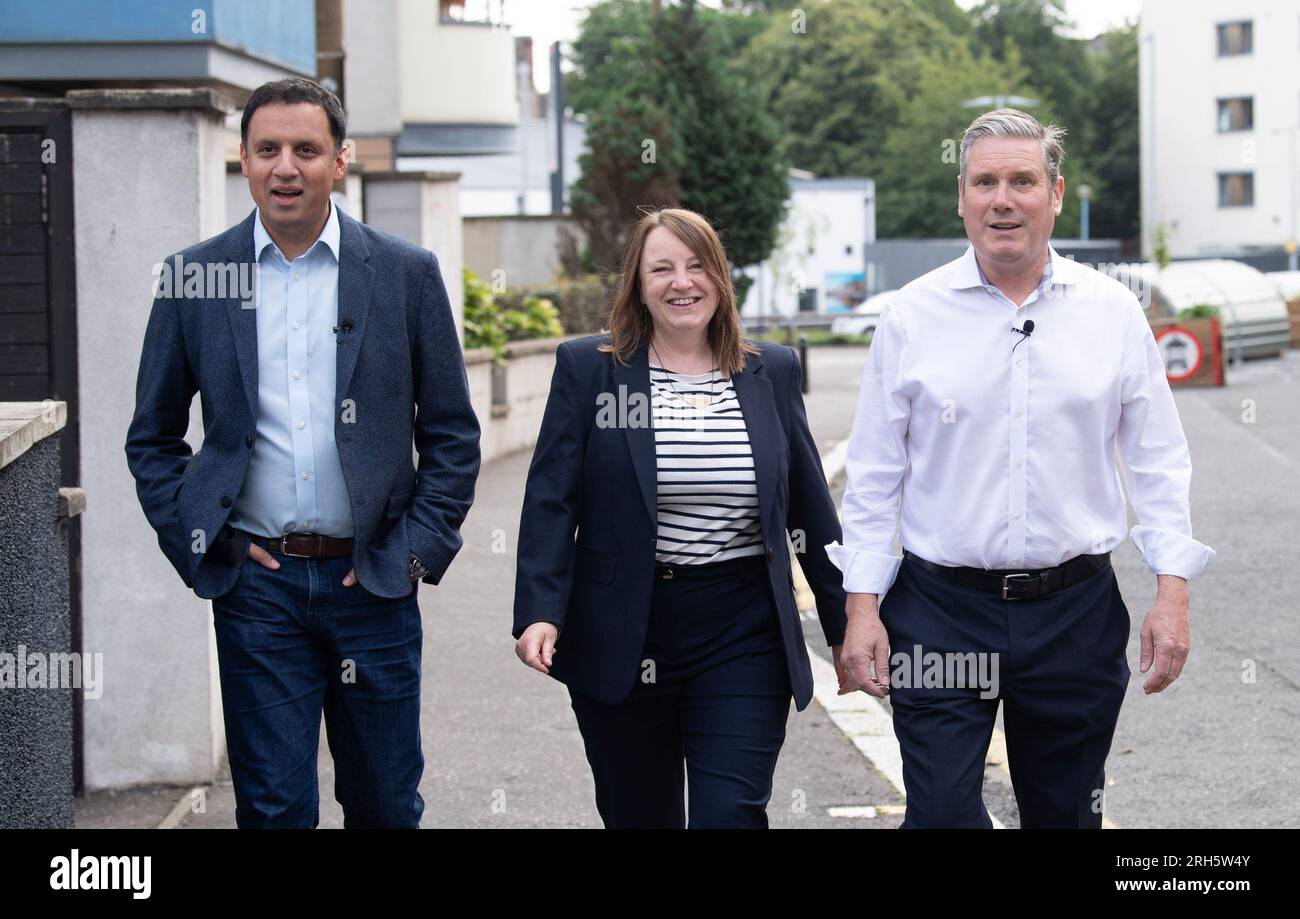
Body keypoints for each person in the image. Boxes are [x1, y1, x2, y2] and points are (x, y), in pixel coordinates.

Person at [828, 108, 1214, 829]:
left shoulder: (1113, 312)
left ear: (1056, 194)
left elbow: (1158, 461)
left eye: (1022, 180)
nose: (1002, 199)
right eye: (985, 182)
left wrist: (1172, 593)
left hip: (1074, 613)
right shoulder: (911, 316)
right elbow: (875, 474)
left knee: (1066, 814)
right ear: (962, 197)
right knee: (940, 814)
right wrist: (861, 607)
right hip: (940, 613)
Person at [124, 78, 480, 828]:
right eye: (267, 150)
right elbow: (153, 439)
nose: (286, 166)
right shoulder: (195, 277)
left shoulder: (406, 274)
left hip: (375, 585)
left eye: (306, 150)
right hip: (260, 589)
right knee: (275, 806)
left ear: (340, 161)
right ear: (244, 161)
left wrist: (410, 555)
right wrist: (204, 542)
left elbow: (451, 434)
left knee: (385, 804)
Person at [512, 207, 847, 828]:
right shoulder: (591, 370)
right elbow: (551, 500)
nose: (681, 282)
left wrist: (846, 622)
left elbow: (809, 507)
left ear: (719, 278)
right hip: (625, 628)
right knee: (640, 814)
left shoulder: (769, 370)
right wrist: (540, 609)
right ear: (638, 285)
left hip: (742, 629)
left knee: (731, 814)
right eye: (660, 268)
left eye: (696, 266)